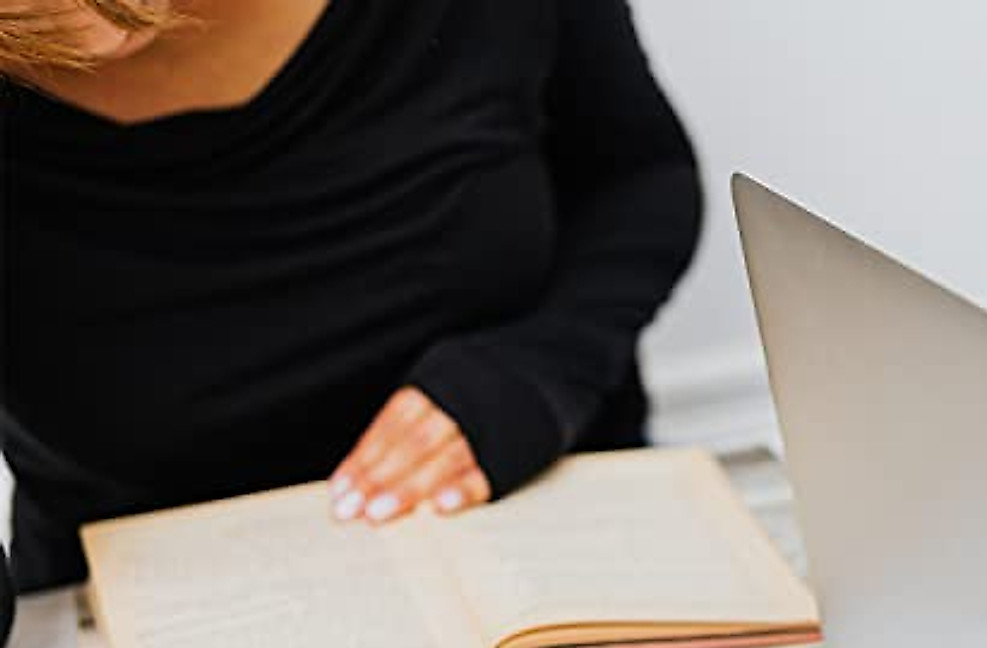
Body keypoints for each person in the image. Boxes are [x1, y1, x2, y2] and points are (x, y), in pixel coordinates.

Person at [0, 0, 702, 592]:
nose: (94, 35)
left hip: (553, 543)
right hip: (133, 628)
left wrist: (539, 369)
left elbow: (641, 180)